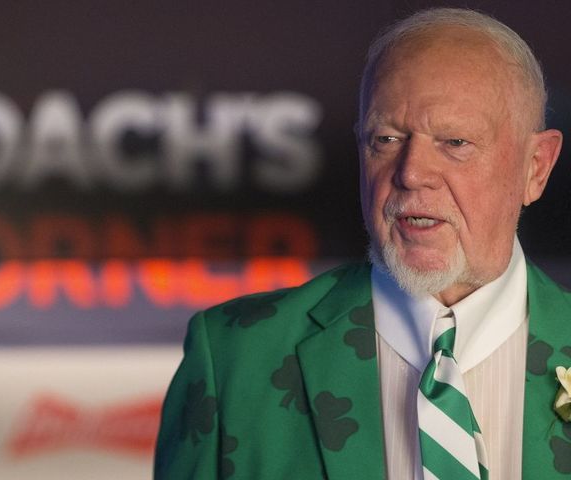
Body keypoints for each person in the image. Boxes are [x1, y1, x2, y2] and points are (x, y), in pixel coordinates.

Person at [155, 8, 570, 479]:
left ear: (536, 166)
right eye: (386, 139)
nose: (411, 172)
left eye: (455, 142)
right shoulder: (235, 359)